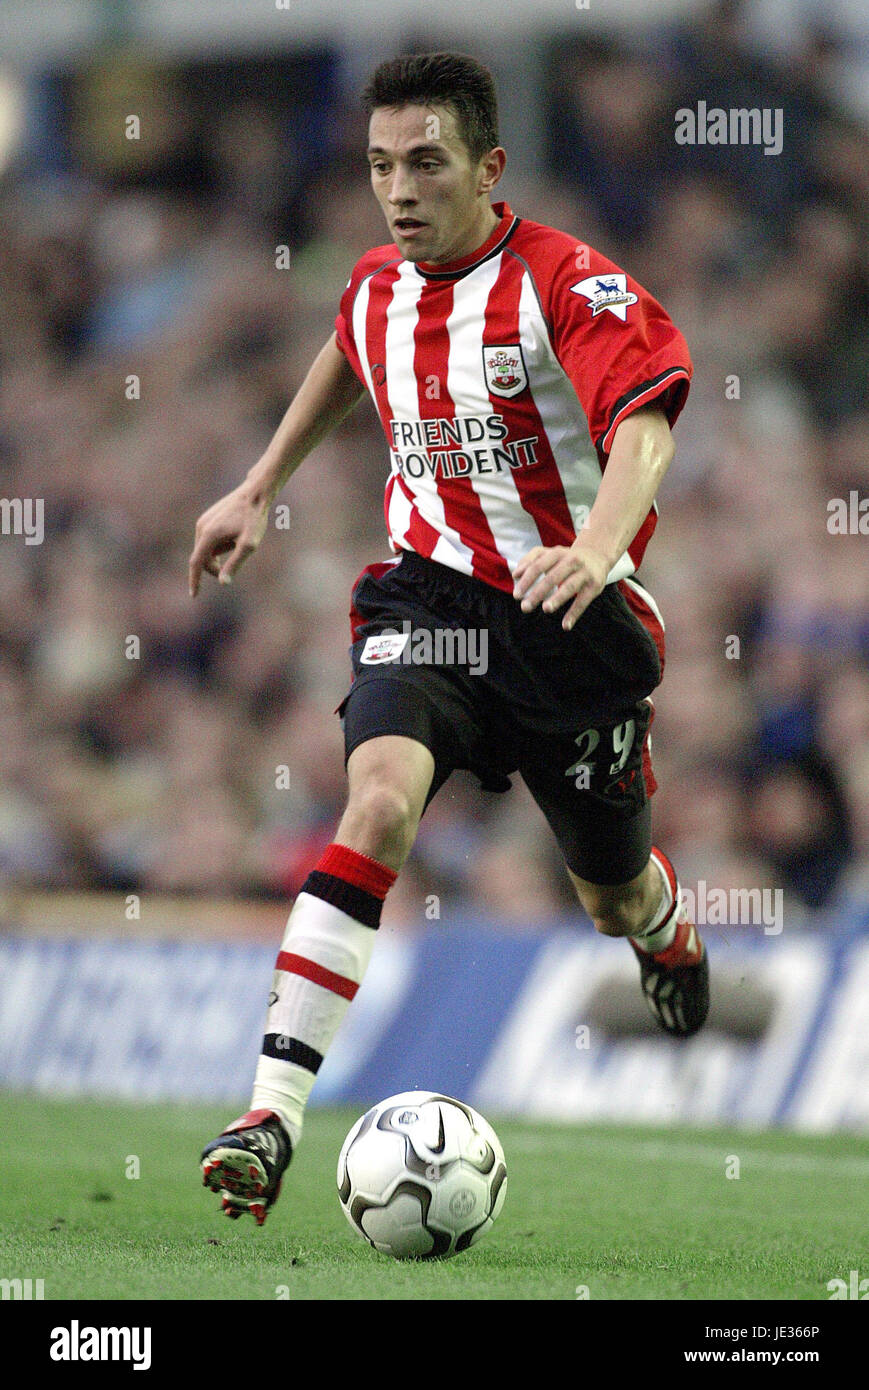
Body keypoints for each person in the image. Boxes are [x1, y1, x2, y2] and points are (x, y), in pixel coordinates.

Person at [189, 52, 708, 1226]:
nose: (398, 190)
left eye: (424, 163)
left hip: (571, 623)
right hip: (426, 607)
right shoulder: (377, 284)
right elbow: (346, 350)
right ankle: (269, 1113)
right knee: (374, 805)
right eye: (380, 166)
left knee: (607, 896)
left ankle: (664, 931)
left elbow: (645, 429)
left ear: (488, 165)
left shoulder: (567, 285)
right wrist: (257, 484)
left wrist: (598, 545)